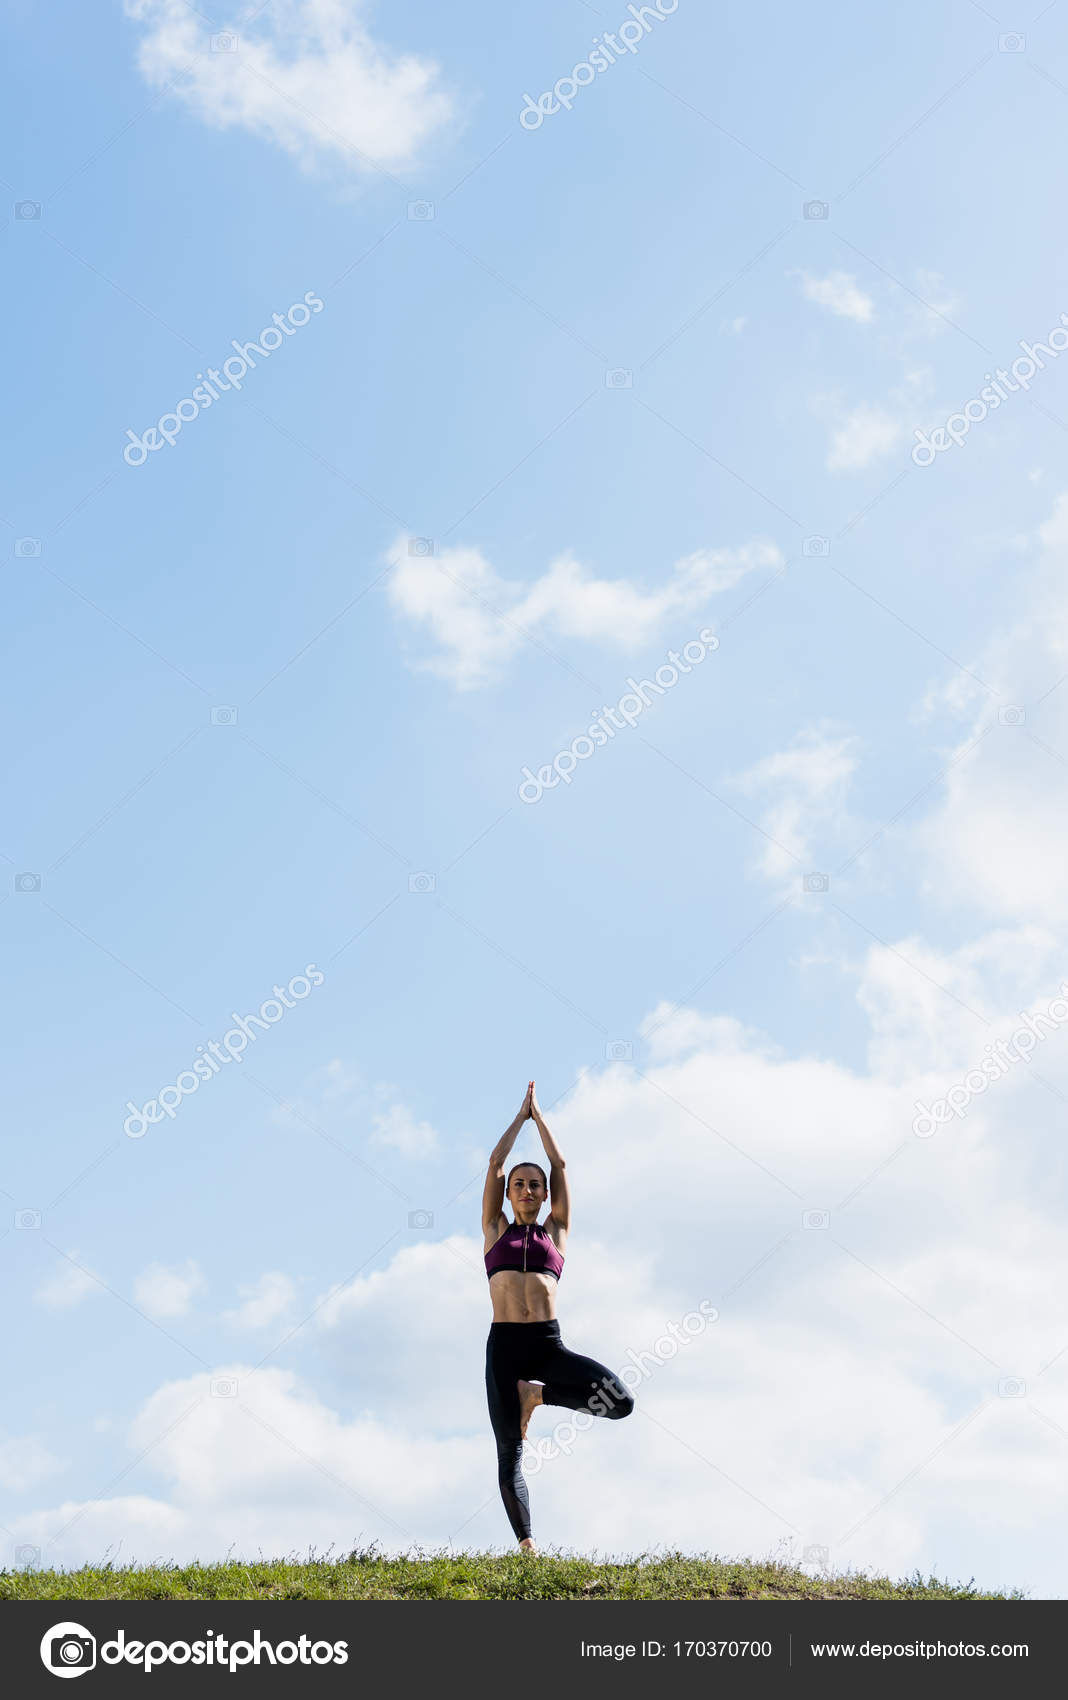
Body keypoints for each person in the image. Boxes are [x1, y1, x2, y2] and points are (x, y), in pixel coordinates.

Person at [482, 1080, 633, 1553]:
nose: (527, 1189)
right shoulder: (495, 1230)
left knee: (620, 1402)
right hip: (504, 1347)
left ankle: (537, 1397)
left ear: (545, 1196)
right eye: (519, 1185)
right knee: (510, 1452)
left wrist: (540, 1119)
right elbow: (494, 1164)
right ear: (509, 1195)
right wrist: (517, 1119)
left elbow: (561, 1164)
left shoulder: (556, 1231)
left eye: (535, 1185)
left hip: (547, 1346)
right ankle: (527, 1544)